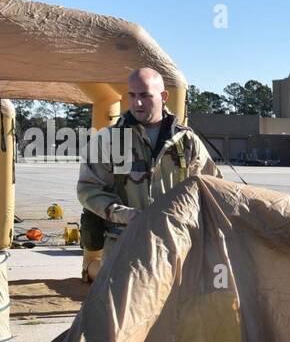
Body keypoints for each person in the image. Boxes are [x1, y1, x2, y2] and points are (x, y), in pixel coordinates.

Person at [77, 67, 219, 265]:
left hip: (174, 249)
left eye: (145, 95)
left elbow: (211, 189)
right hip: (123, 249)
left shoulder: (187, 141)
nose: (137, 103)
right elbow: (88, 189)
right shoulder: (108, 140)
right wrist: (125, 214)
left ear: (164, 96)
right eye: (132, 95)